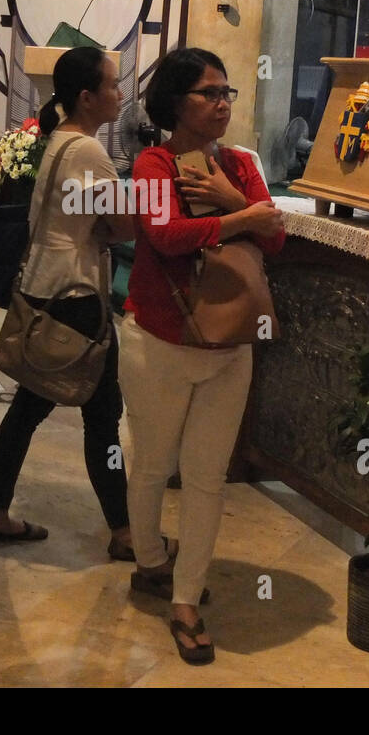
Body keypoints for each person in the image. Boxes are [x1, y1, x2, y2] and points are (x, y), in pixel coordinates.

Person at [121, 47, 285, 664]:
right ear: (174, 103)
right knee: (153, 464)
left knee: (207, 477)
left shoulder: (240, 164)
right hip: (162, 335)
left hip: (230, 338)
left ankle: (185, 600)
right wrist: (240, 214)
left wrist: (227, 201)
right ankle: (149, 559)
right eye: (208, 93)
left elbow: (279, 235)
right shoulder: (154, 163)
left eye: (227, 93)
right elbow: (163, 235)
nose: (222, 104)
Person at [0, 46, 135, 554]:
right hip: (77, 295)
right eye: (112, 85)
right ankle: (125, 533)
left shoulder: (60, 142)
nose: (120, 93)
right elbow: (123, 224)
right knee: (101, 414)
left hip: (46, 287)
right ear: (87, 97)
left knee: (31, 406)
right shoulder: (87, 150)